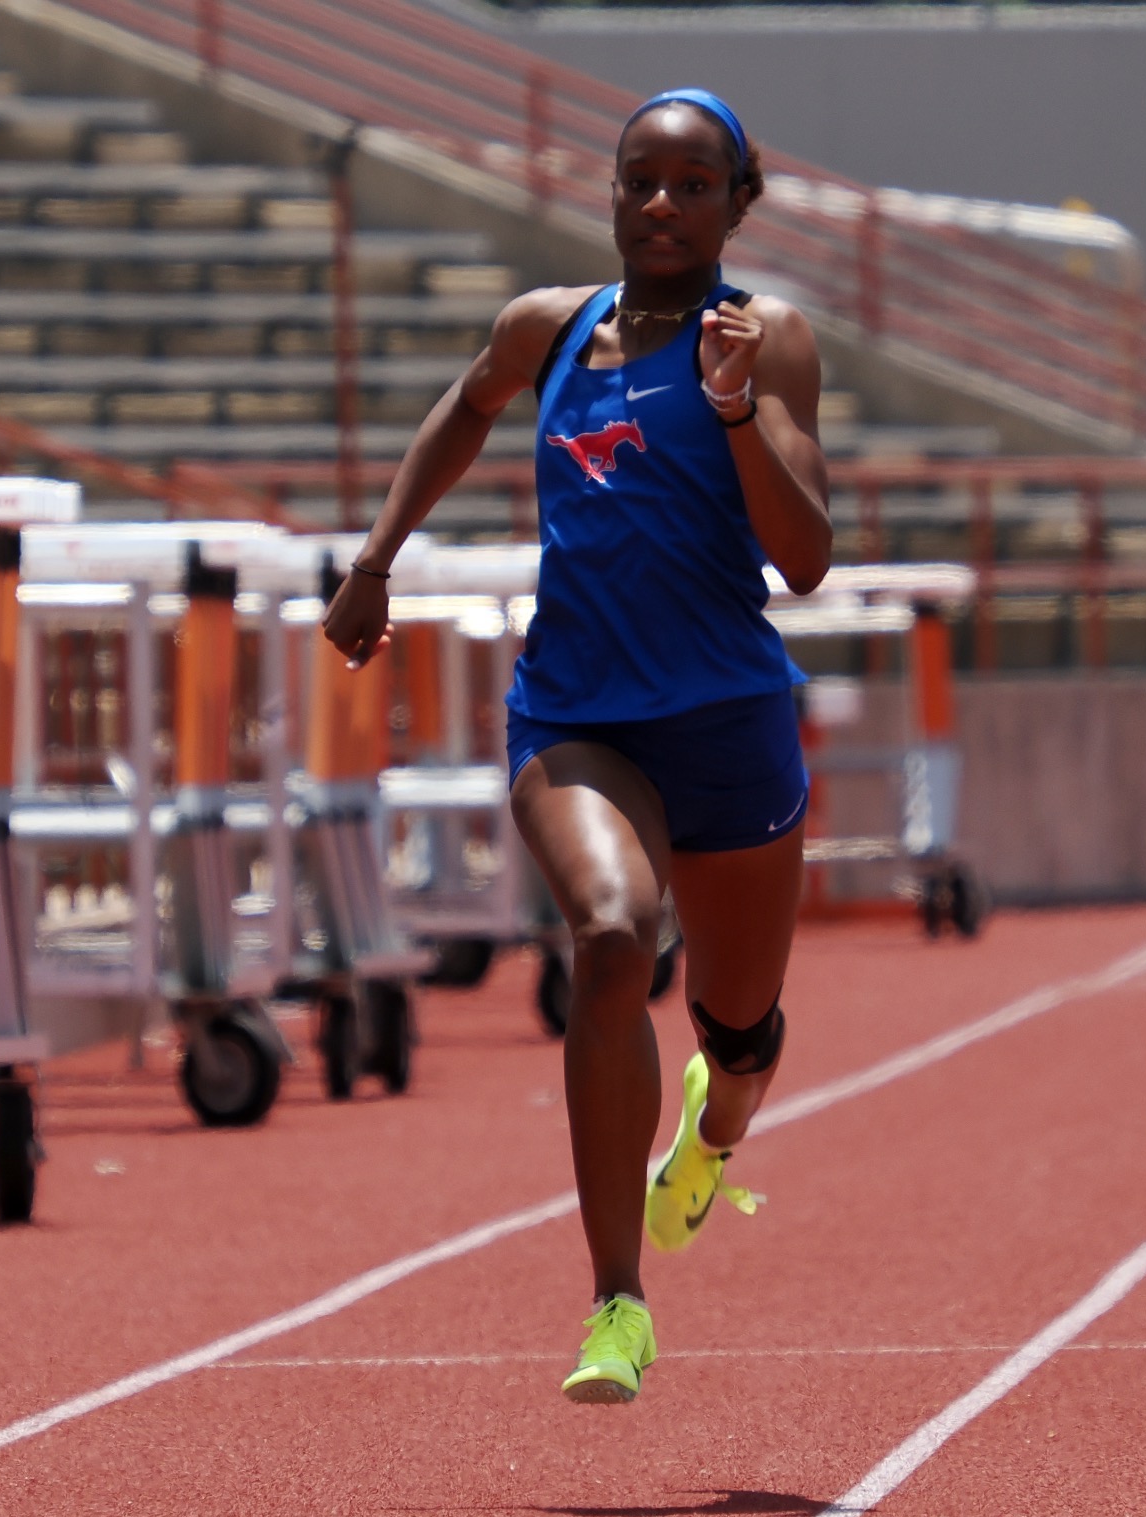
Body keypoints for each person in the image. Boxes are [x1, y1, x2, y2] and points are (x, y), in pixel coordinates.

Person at [321, 89, 830, 1402]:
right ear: (608, 194)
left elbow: (809, 556)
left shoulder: (765, 342)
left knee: (745, 1029)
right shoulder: (548, 332)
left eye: (693, 185)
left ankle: (715, 1128)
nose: (661, 204)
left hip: (727, 717)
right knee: (611, 936)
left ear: (736, 203)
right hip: (578, 709)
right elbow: (462, 406)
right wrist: (378, 556)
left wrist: (731, 414)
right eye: (638, 180)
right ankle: (618, 1302)